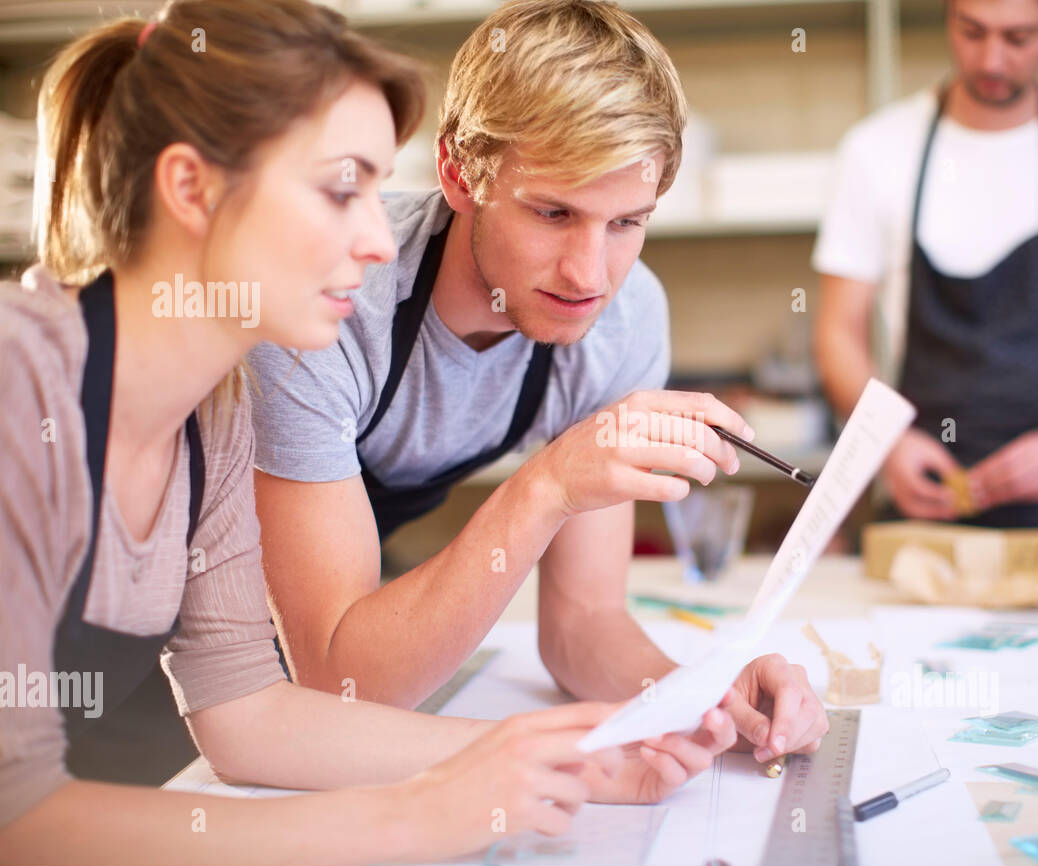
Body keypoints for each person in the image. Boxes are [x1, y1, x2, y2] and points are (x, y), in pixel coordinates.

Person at [0, 0, 733, 866]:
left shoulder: (215, 414)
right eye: (341, 189)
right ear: (193, 189)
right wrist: (409, 819)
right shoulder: (21, 385)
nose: (386, 238)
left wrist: (588, 754)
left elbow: (249, 716)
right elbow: (21, 820)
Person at [248, 0, 829, 764]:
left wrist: (704, 696)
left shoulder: (624, 320)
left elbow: (583, 626)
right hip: (158, 631)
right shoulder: (327, 301)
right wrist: (547, 483)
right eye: (554, 212)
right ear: (458, 172)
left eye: (627, 223)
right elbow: (341, 681)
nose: (590, 276)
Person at [813, 0, 1038, 527]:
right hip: (931, 496)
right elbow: (837, 333)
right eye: (972, 31)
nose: (990, 60)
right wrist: (887, 443)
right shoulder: (876, 152)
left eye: (1018, 38)